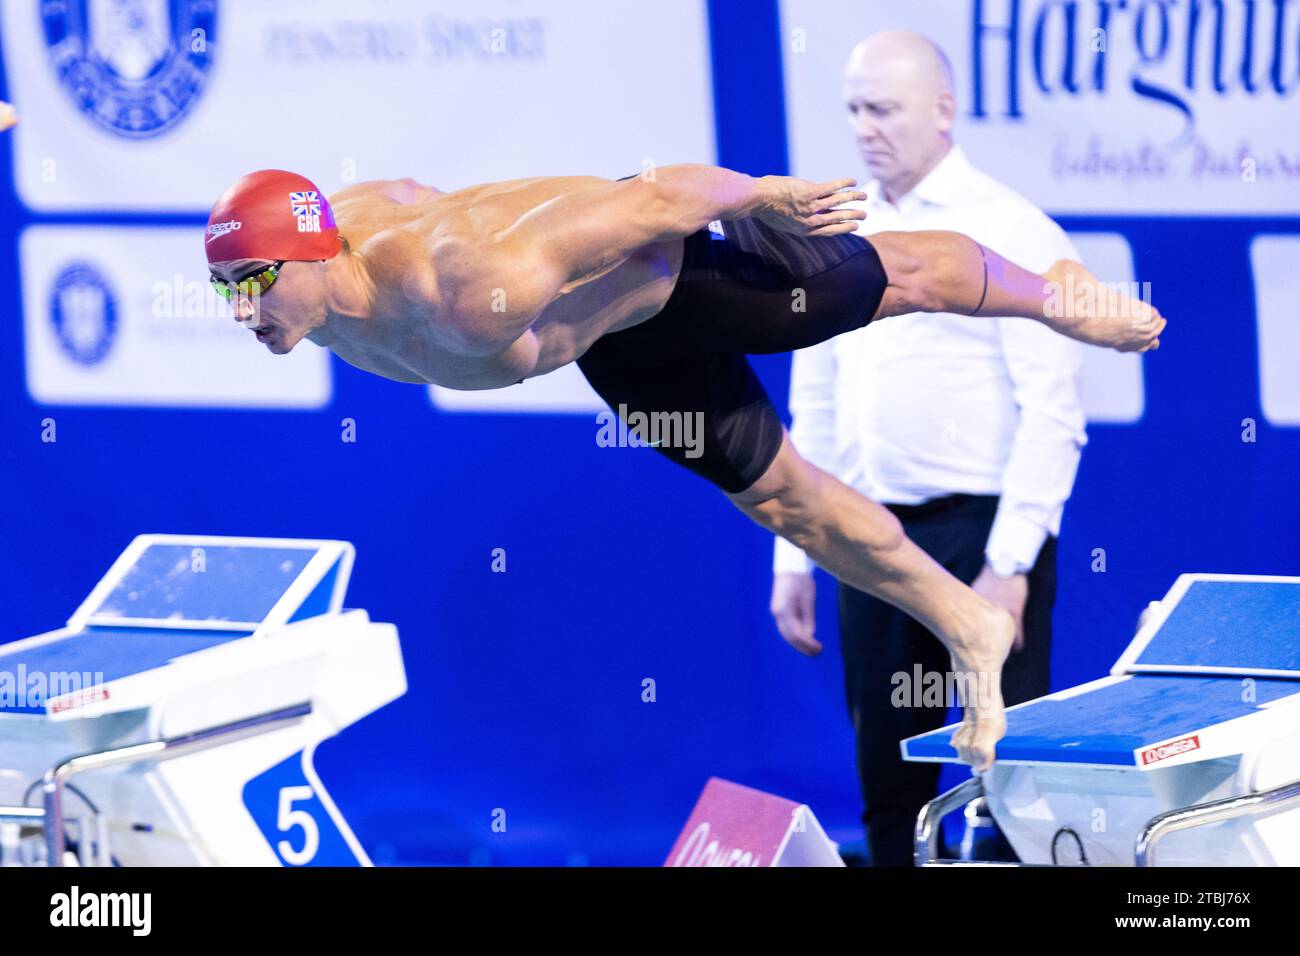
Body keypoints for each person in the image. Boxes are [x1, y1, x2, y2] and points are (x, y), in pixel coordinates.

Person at [203, 163, 1165, 771]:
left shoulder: (459, 283)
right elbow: (401, 186)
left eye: (252, 285)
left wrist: (766, 198)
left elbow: (653, 200)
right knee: (786, 501)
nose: (243, 315)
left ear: (309, 251)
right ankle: (968, 622)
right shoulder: (325, 305)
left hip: (687, 271)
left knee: (896, 279)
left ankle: (1056, 294)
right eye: (226, 294)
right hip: (622, 344)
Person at [771, 31, 1087, 866]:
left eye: (884, 108)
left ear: (944, 112)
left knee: (1008, 781)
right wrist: (793, 557)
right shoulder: (837, 233)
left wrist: (1011, 564)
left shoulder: (1013, 228)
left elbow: (1053, 415)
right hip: (863, 532)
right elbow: (819, 403)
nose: (864, 127)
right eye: (852, 110)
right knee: (886, 775)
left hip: (980, 536)